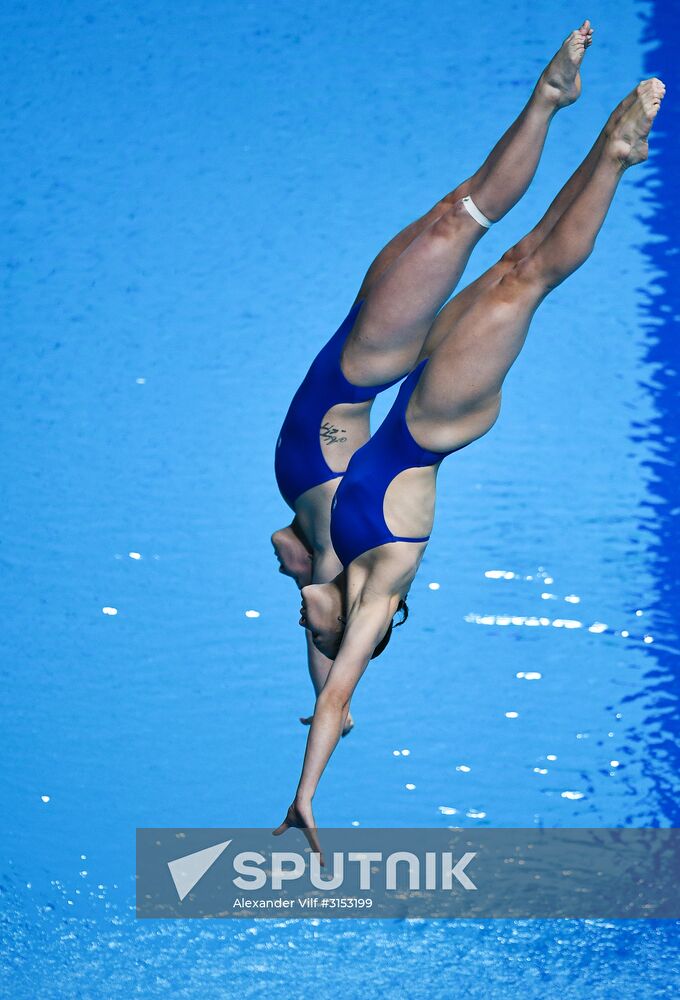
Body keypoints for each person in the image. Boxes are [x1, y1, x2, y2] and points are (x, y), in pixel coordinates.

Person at [274, 78, 666, 856]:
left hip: (414, 392)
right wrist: (306, 794)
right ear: (346, 631)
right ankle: (618, 155)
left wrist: (327, 704)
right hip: (436, 422)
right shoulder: (375, 595)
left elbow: (325, 687)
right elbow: (336, 696)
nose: (301, 625)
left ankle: (579, 120)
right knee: (527, 278)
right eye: (314, 634)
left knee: (506, 250)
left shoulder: (330, 557)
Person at [272, 22, 594, 736]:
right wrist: (332, 702)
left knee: (459, 209)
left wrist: (325, 676)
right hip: (364, 364)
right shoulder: (336, 551)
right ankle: (551, 96)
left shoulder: (312, 541)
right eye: (310, 619)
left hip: (349, 344)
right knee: (464, 222)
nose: (296, 601)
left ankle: (552, 100)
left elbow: (319, 625)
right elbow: (332, 661)